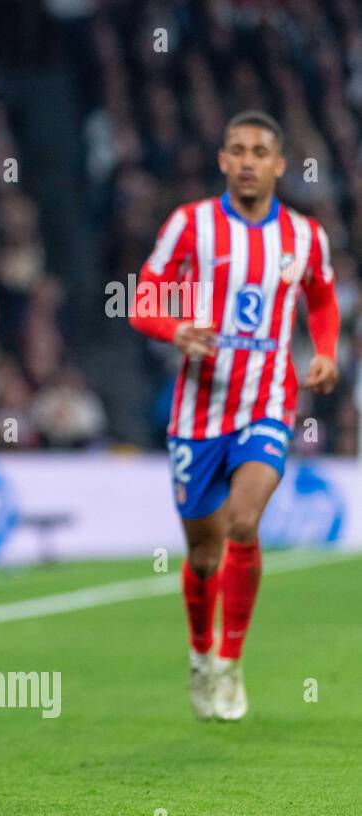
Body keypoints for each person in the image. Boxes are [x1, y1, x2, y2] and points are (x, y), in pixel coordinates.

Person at [130, 110, 340, 722]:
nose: (248, 161)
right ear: (223, 160)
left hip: (268, 403)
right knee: (202, 555)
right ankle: (200, 654)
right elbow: (144, 297)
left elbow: (322, 297)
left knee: (243, 524)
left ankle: (230, 659)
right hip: (197, 415)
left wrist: (323, 352)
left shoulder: (305, 236)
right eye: (237, 150)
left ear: (279, 164)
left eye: (260, 151)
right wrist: (176, 329)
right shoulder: (190, 225)